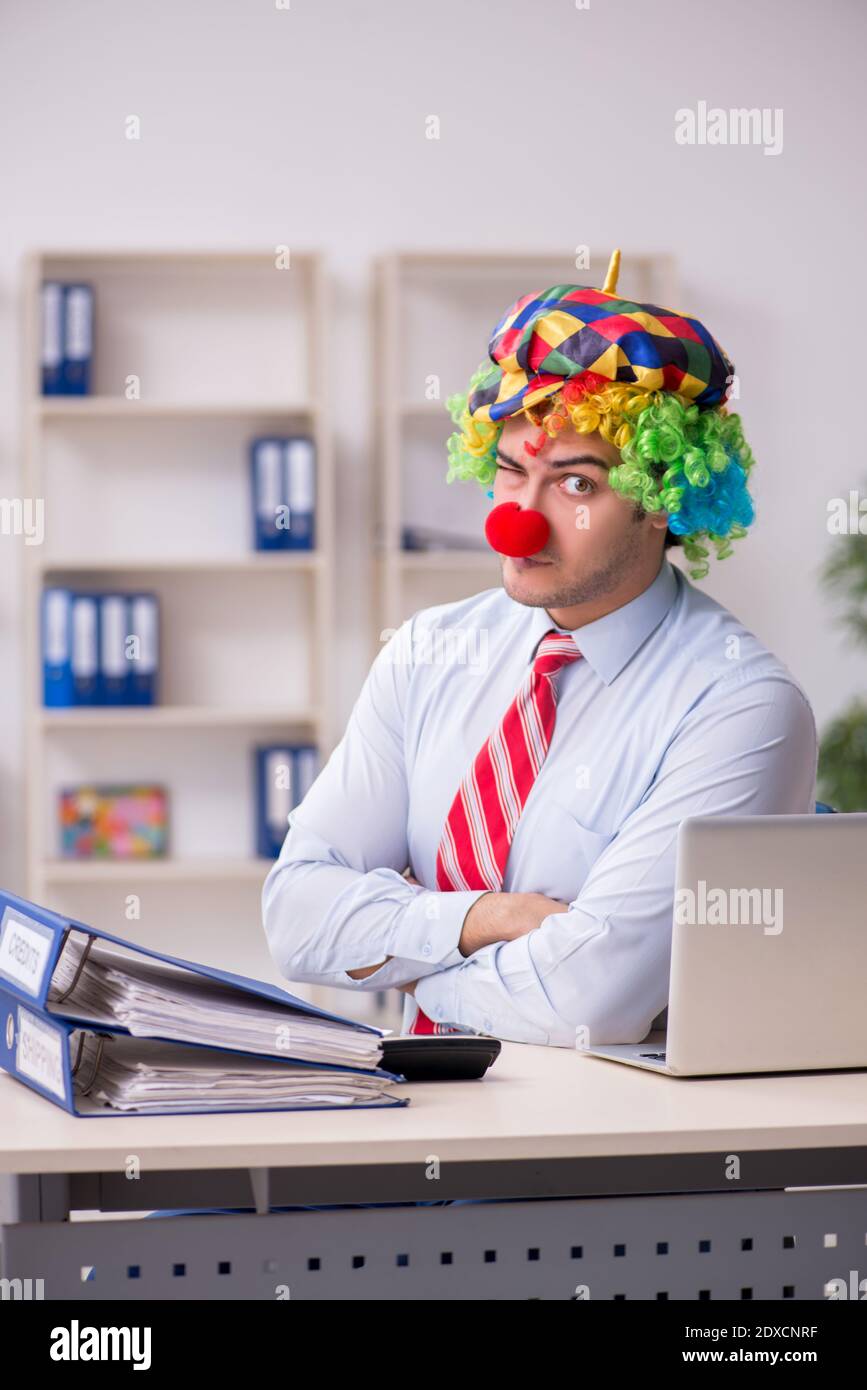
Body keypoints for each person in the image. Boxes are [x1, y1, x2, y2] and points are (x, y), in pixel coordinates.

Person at [262, 249, 817, 1048]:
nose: (517, 518)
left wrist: (405, 951)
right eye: (511, 469)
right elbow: (295, 918)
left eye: (576, 483)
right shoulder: (429, 648)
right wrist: (487, 919)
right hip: (409, 1120)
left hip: (597, 1161)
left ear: (665, 497)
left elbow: (585, 1003)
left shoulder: (740, 706)